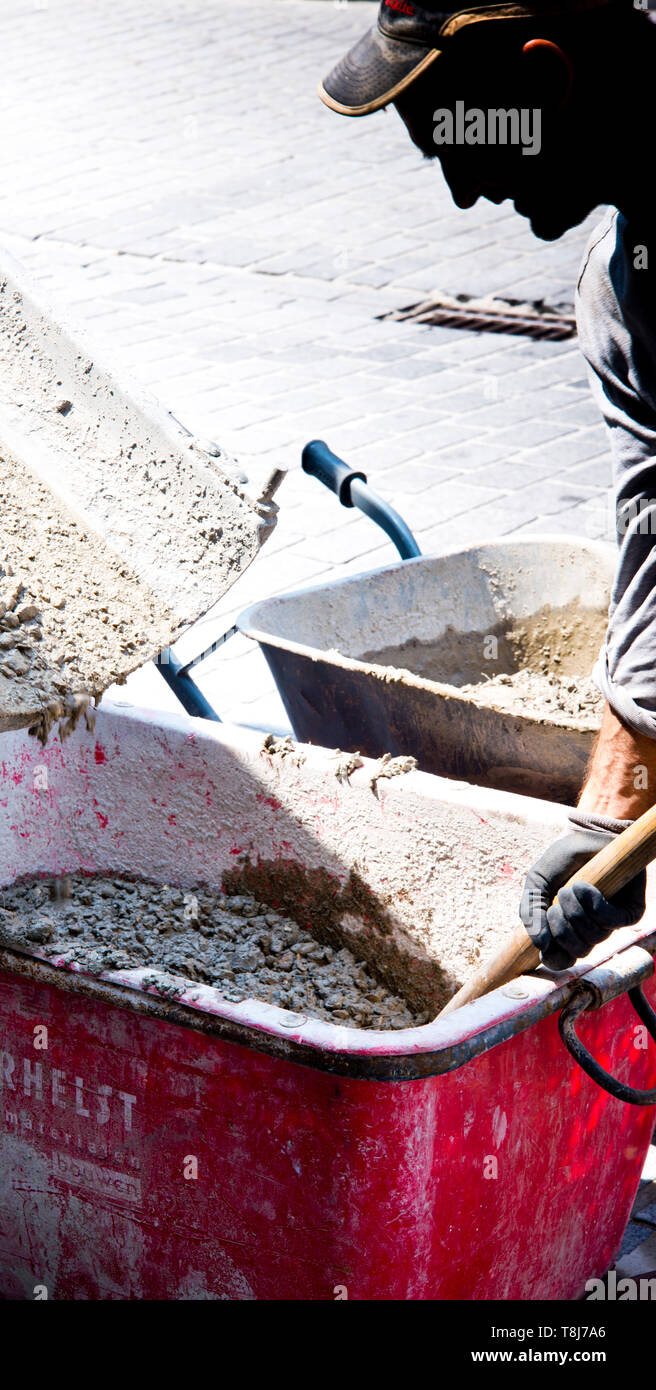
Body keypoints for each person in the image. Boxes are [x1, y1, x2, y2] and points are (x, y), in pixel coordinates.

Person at [319, 0, 656, 969]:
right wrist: (608, 820)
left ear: (548, 80)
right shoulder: (625, 302)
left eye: (466, 140)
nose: (466, 193)